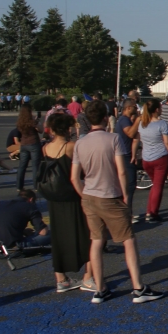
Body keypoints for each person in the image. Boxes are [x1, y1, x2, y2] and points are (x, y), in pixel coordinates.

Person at [71, 101, 163, 304]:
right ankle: (138, 288)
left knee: (96, 241)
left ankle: (100, 288)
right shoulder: (113, 139)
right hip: (109, 195)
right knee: (128, 240)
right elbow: (121, 170)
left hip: (90, 196)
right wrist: (125, 195)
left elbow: (74, 177)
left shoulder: (80, 143)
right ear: (106, 118)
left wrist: (83, 194)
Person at [39, 114, 92, 292]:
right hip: (72, 195)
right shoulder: (71, 146)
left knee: (58, 236)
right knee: (86, 234)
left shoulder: (45, 148)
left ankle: (61, 278)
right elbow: (81, 171)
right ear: (68, 128)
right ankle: (88, 276)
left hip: (54, 198)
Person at [137, 99, 168, 223]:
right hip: (160, 157)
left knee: (155, 186)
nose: (161, 109)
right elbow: (167, 142)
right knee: (158, 186)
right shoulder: (161, 124)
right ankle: (153, 213)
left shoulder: (142, 123)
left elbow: (137, 140)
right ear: (156, 110)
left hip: (146, 158)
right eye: (160, 107)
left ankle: (149, 211)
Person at [0, 190, 50, 260]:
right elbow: (43, 232)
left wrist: (23, 231)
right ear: (31, 199)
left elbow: (4, 224)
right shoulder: (29, 207)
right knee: (53, 234)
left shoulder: (3, 204)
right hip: (11, 250)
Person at [116, 100, 141, 223]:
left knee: (129, 185)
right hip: (125, 155)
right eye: (135, 107)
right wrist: (137, 120)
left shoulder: (125, 119)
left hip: (126, 154)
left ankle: (127, 212)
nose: (136, 109)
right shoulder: (124, 120)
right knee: (129, 186)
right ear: (128, 108)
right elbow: (130, 133)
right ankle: (127, 214)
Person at [15, 104, 43, 193]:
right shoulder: (32, 121)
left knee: (22, 166)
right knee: (35, 166)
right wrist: (37, 122)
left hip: (24, 144)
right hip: (34, 143)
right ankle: (36, 186)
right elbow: (41, 130)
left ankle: (19, 186)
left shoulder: (19, 122)